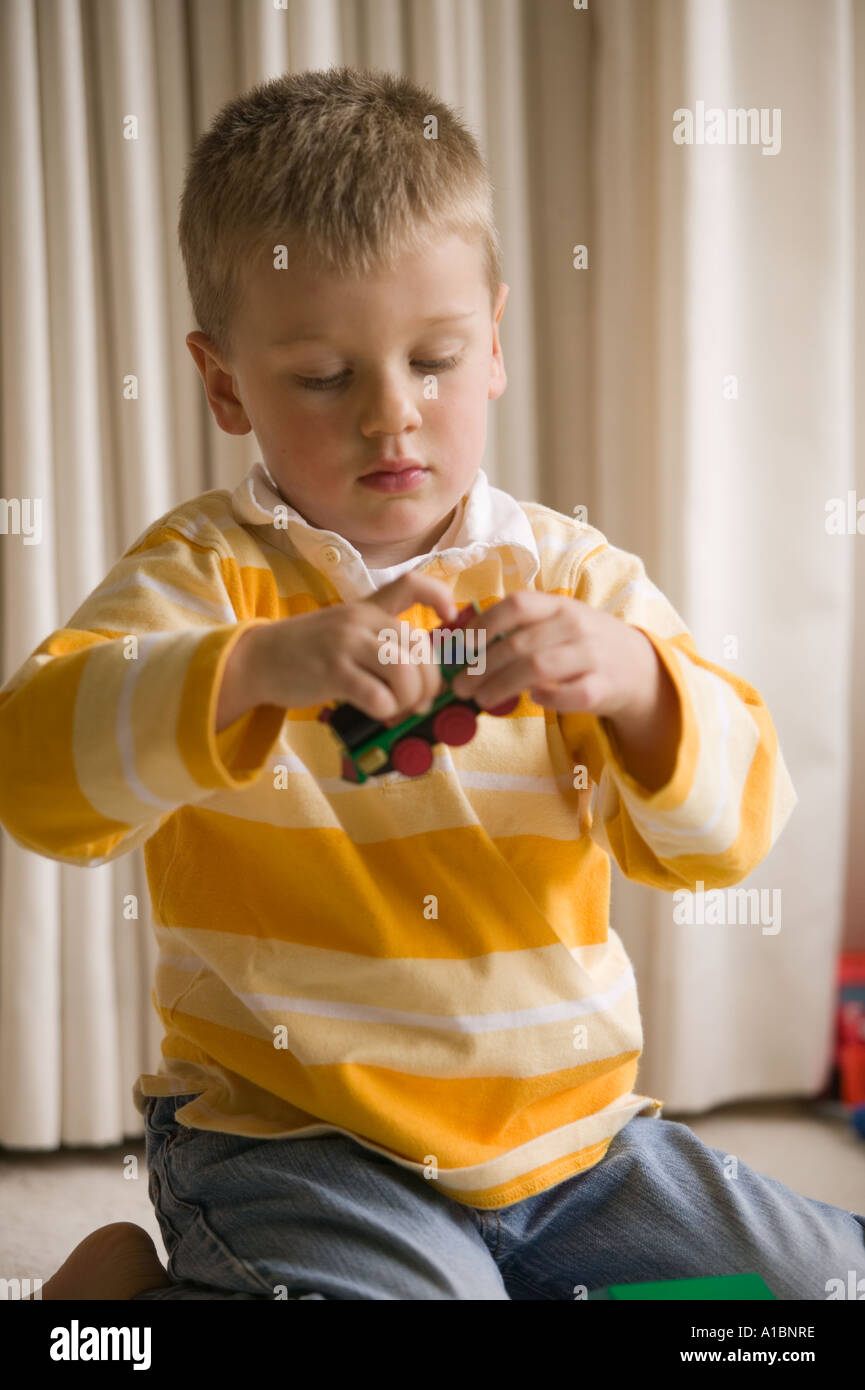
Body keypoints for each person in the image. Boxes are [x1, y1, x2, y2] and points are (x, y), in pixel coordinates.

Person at [2, 66, 861, 1301]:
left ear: (497, 343)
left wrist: (637, 688)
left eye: (437, 359)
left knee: (824, 1288)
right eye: (323, 377)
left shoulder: (575, 574)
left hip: (572, 1147)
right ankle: (106, 1316)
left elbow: (729, 834)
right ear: (226, 382)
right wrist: (252, 667)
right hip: (298, 1145)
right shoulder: (206, 575)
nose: (392, 418)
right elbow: (35, 776)